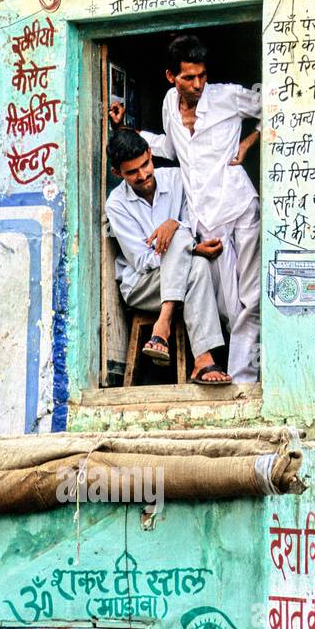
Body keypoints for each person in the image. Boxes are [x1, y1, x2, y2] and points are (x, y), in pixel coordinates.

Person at [110, 33, 262, 382]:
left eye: (202, 75)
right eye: (188, 78)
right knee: (227, 303)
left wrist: (249, 141)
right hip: (205, 215)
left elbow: (276, 105)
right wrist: (129, 132)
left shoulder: (226, 96)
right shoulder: (168, 104)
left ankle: (242, 380)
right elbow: (172, 149)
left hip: (238, 204)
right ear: (171, 77)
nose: (197, 85)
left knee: (251, 298)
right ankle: (221, 365)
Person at [105, 128, 232, 385]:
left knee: (192, 257)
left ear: (151, 154)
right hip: (142, 285)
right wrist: (183, 243)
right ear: (117, 173)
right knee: (190, 253)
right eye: (132, 172)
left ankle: (175, 339)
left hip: (179, 278)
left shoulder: (176, 179)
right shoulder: (116, 204)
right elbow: (141, 262)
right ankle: (203, 359)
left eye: (145, 165)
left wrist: (173, 227)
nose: (143, 175)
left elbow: (193, 225)